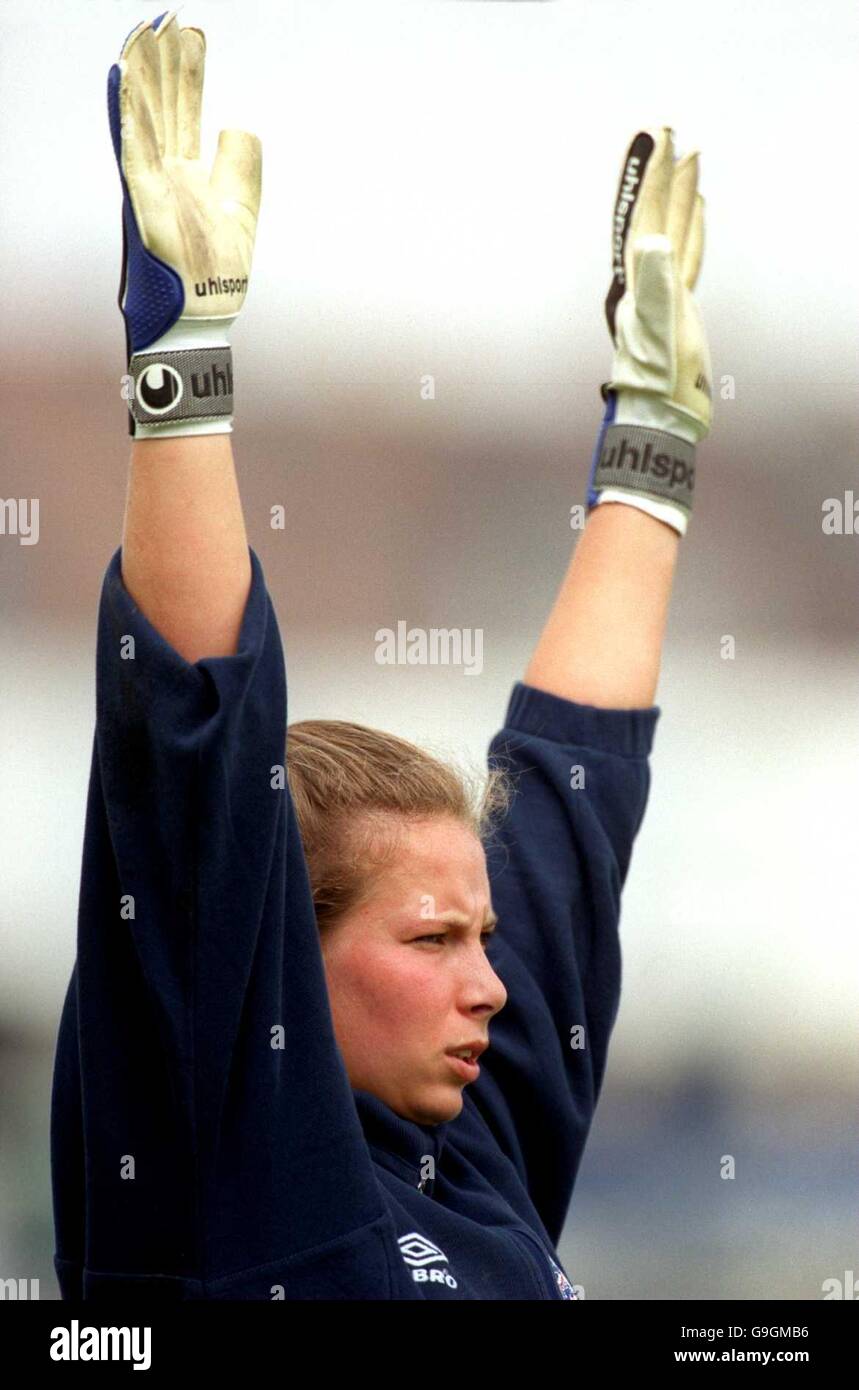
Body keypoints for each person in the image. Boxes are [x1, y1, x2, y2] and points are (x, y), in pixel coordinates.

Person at [49, 11, 711, 1300]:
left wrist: (655, 445)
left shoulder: (467, 1162)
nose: (492, 989)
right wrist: (181, 363)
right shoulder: (226, 1162)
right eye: (432, 943)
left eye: (478, 937)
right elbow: (191, 736)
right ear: (277, 951)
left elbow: (579, 800)